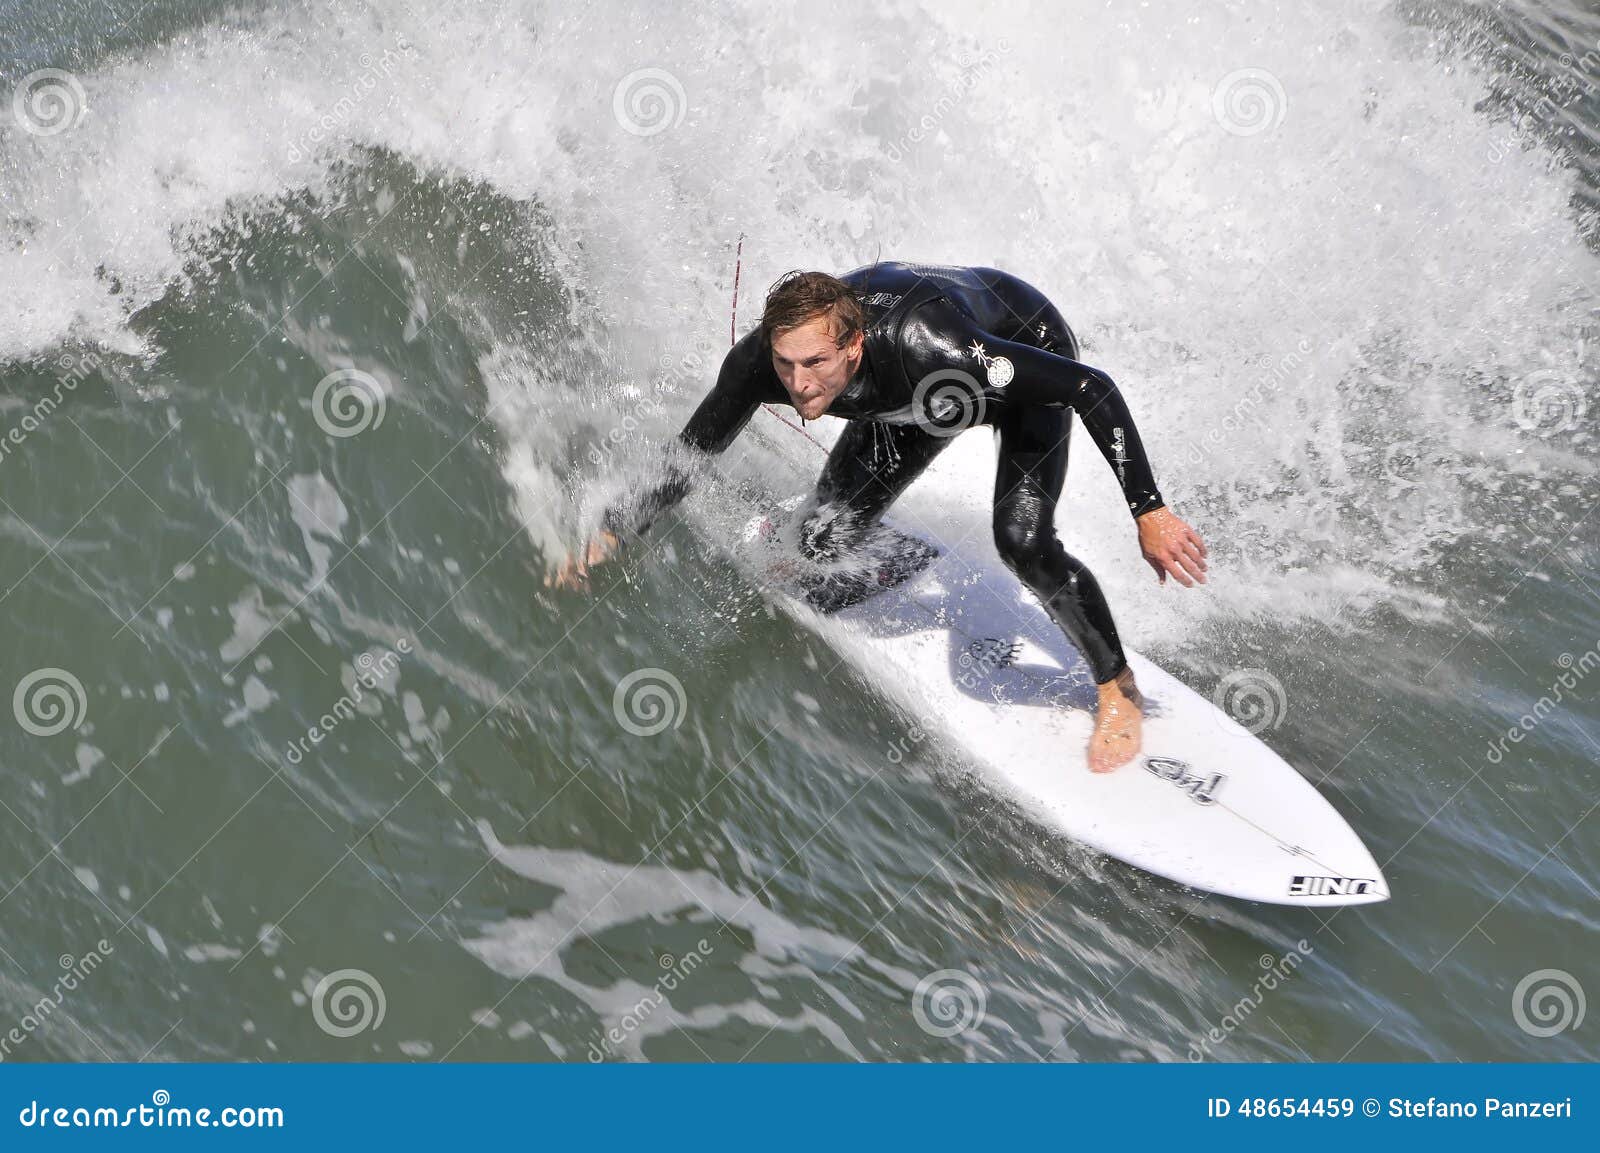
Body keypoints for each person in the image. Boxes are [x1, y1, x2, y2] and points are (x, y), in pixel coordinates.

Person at [547, 262, 1207, 772]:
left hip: (1013, 355)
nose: (799, 384)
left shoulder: (936, 347)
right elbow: (694, 453)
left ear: (854, 347)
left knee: (1022, 541)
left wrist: (1149, 509)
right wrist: (611, 533)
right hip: (911, 405)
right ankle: (894, 556)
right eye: (785, 363)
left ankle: (1115, 683)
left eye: (815, 364)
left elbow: (1091, 386)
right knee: (818, 539)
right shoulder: (762, 366)